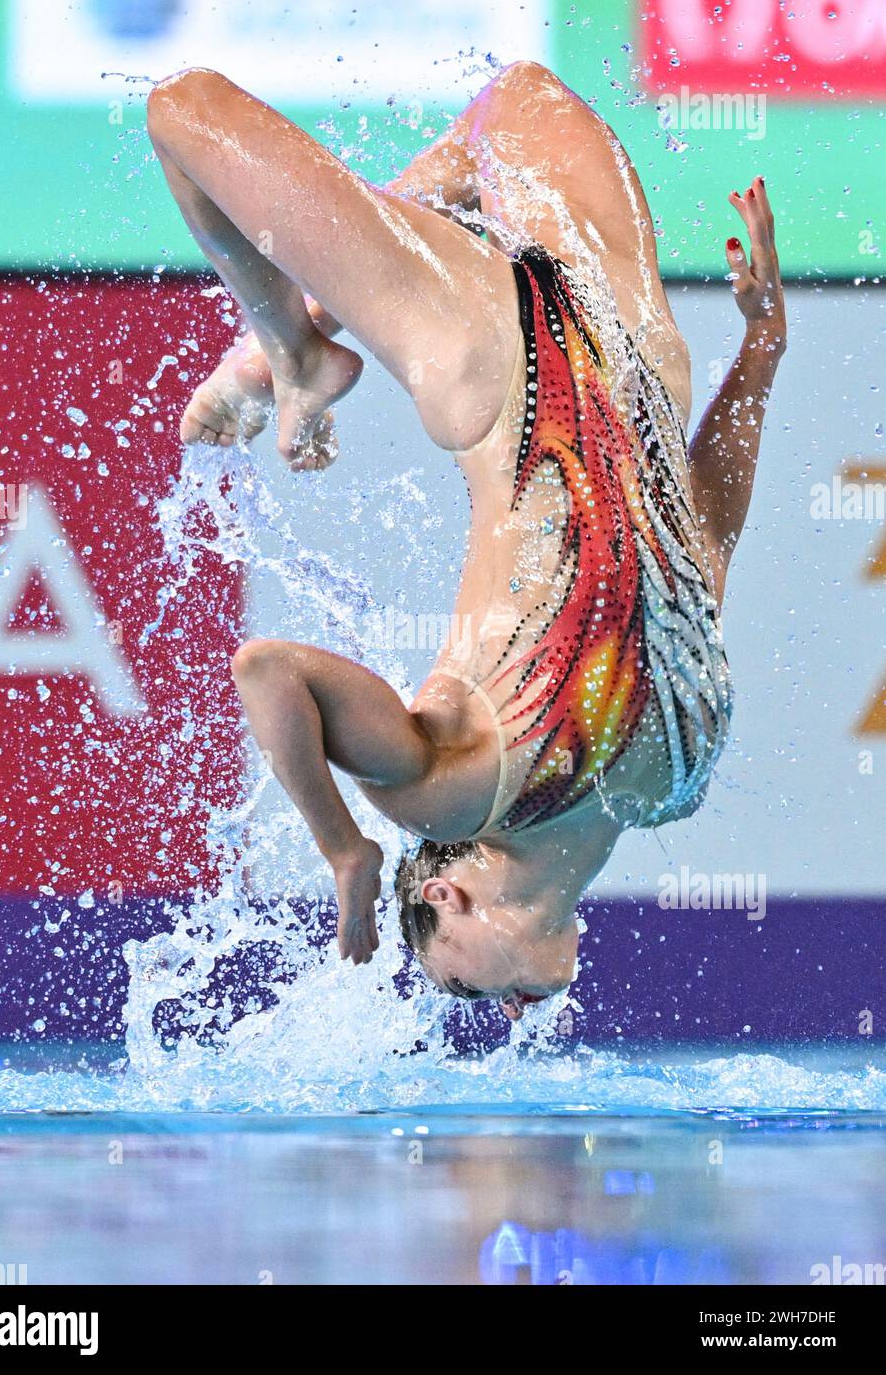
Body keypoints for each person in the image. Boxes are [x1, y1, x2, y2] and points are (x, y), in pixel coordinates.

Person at [147, 59, 786, 1019]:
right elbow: (701, 548)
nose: (506, 1011)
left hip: (502, 369)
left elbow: (268, 669)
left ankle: (288, 349)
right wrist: (763, 350)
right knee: (520, 97)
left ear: (444, 897)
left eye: (460, 985)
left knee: (182, 112)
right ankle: (288, 347)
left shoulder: (448, 793)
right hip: (631, 341)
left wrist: (343, 848)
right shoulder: (673, 785)